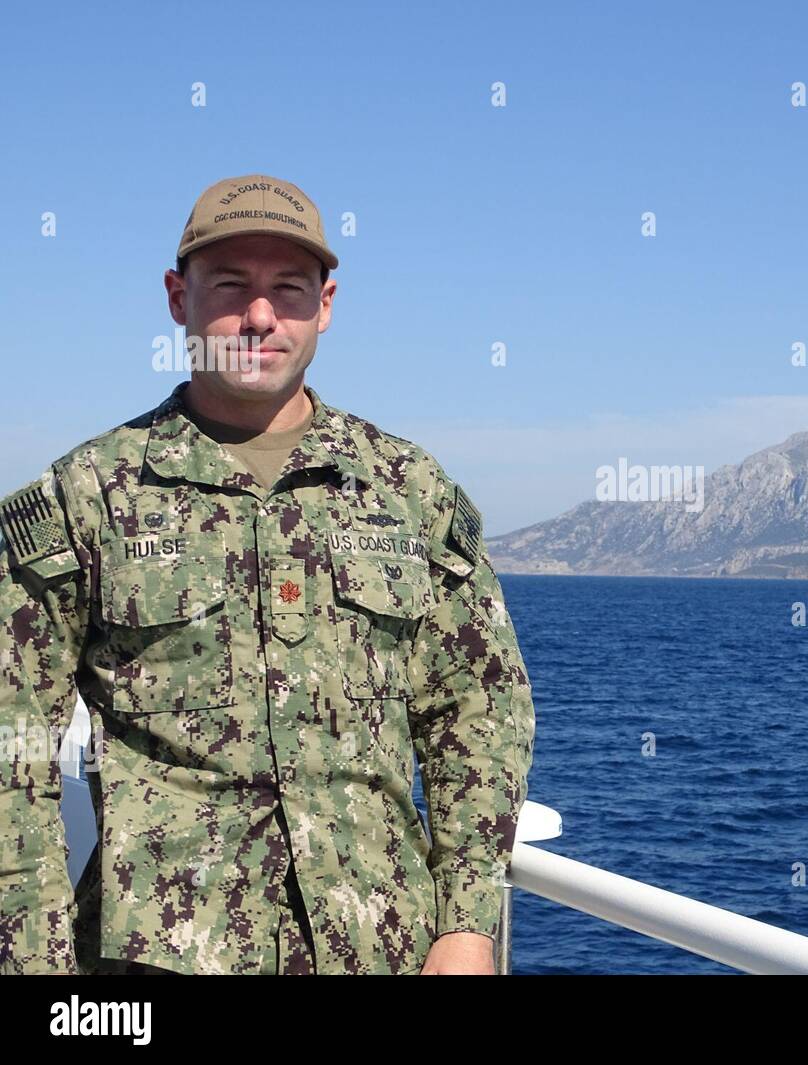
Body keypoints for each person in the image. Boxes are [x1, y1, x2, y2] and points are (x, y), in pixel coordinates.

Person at [0, 174, 536, 975]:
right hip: (156, 962)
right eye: (231, 285)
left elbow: (478, 712)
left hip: (381, 947)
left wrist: (467, 923)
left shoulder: (407, 490)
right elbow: (15, 748)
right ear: (178, 297)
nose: (259, 316)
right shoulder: (87, 497)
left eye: (287, 288)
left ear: (325, 304)